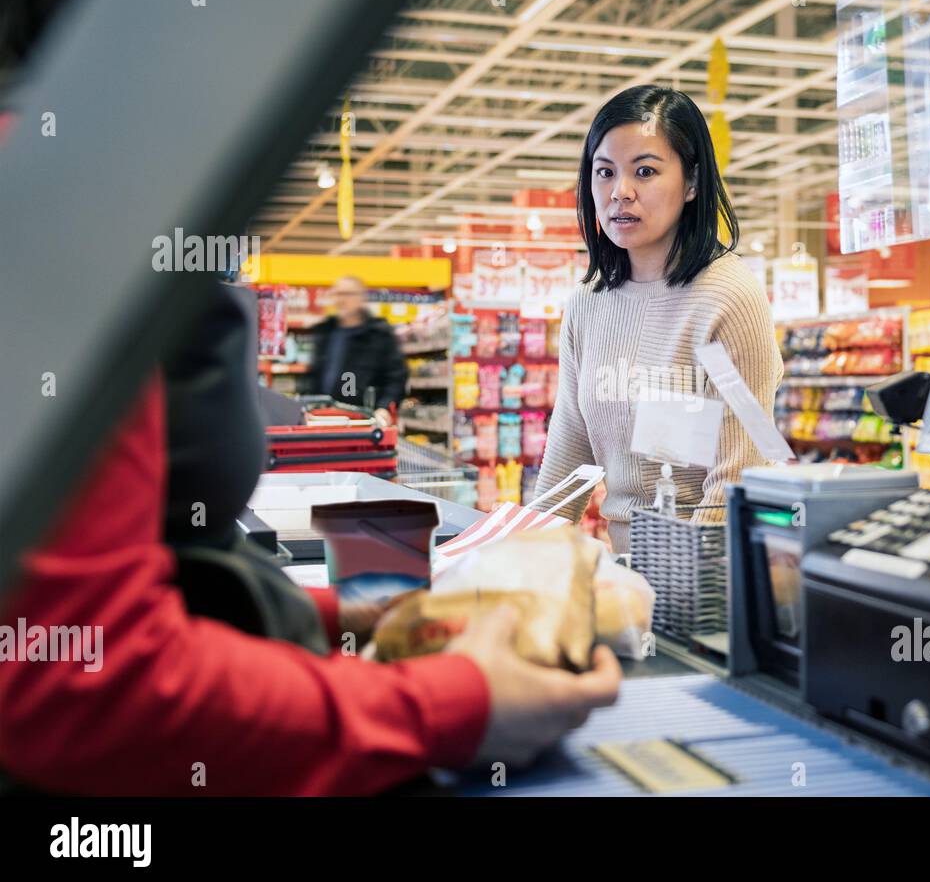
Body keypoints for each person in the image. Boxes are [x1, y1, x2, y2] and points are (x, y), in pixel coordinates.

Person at [0, 283, 622, 796]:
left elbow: (126, 571)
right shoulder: (52, 228)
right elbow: (85, 682)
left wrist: (348, 616)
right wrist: (451, 706)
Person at [535, 86, 783, 553]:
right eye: (604, 172)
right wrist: (524, 562)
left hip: (706, 578)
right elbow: (569, 453)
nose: (620, 192)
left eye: (645, 171)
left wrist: (683, 586)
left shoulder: (728, 297)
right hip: (623, 573)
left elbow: (740, 473)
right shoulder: (587, 303)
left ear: (691, 183)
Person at [308, 275, 408, 426]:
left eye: (347, 294)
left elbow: (396, 377)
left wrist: (384, 407)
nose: (341, 300)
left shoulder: (379, 335)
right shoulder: (325, 332)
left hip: (363, 421)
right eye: (337, 294)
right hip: (323, 418)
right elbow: (314, 375)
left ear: (361, 298)